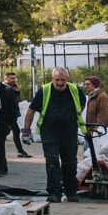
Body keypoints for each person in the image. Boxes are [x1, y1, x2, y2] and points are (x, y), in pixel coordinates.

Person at [22, 67, 86, 203]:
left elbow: (81, 106)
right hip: (49, 132)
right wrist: (26, 131)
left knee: (70, 162)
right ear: (52, 79)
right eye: (57, 80)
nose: (60, 83)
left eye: (63, 80)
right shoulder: (44, 91)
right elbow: (31, 111)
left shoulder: (76, 91)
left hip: (69, 132)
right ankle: (54, 193)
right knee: (52, 162)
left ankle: (71, 192)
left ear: (67, 80)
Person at [1, 71, 32, 160]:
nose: (14, 80)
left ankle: (20, 151)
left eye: (15, 78)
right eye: (12, 78)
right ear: (6, 78)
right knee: (5, 133)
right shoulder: (3, 88)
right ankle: (2, 153)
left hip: (12, 115)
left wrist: (17, 92)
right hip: (6, 116)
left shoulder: (12, 88)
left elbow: (16, 100)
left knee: (15, 132)